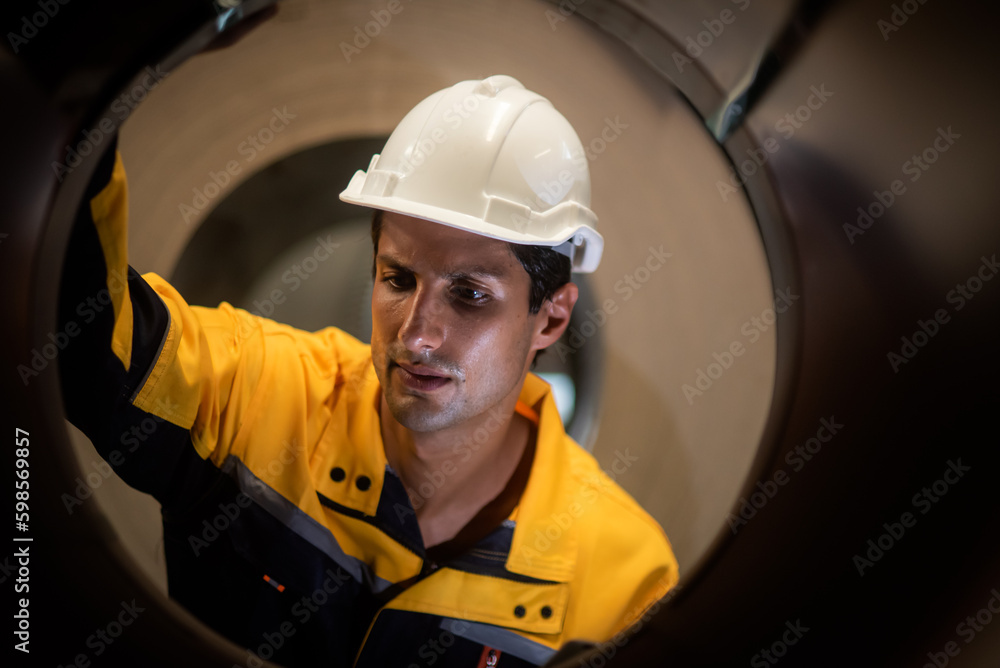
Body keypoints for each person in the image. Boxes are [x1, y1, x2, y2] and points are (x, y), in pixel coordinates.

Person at [59, 74, 678, 668]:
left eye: (469, 295)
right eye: (398, 279)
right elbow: (90, 339)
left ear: (551, 318)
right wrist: (81, 88)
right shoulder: (259, 394)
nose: (416, 334)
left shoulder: (621, 579)